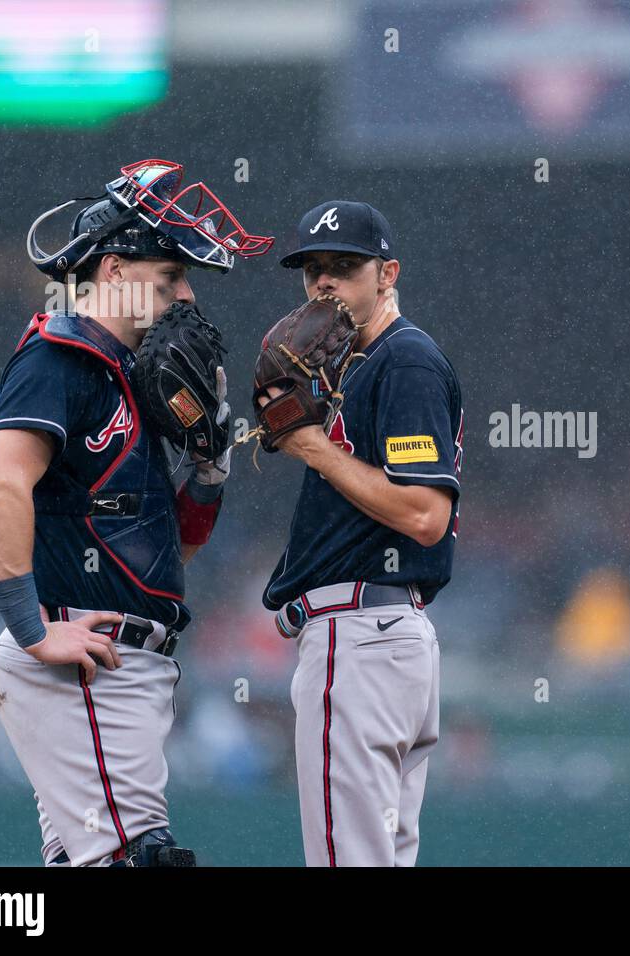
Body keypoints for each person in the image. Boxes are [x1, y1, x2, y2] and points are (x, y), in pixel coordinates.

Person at [0, 160, 270, 866]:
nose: (187, 296)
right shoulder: (61, 356)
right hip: (84, 660)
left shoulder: (130, 379)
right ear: (113, 270)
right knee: (143, 860)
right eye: (169, 279)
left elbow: (163, 552)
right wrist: (32, 631)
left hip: (123, 664)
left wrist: (209, 468)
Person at [260, 200, 464, 866]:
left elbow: (425, 515)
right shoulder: (347, 368)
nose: (325, 283)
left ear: (388, 274)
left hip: (359, 639)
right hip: (382, 640)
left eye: (345, 268)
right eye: (313, 269)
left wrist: (312, 448)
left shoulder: (404, 362)